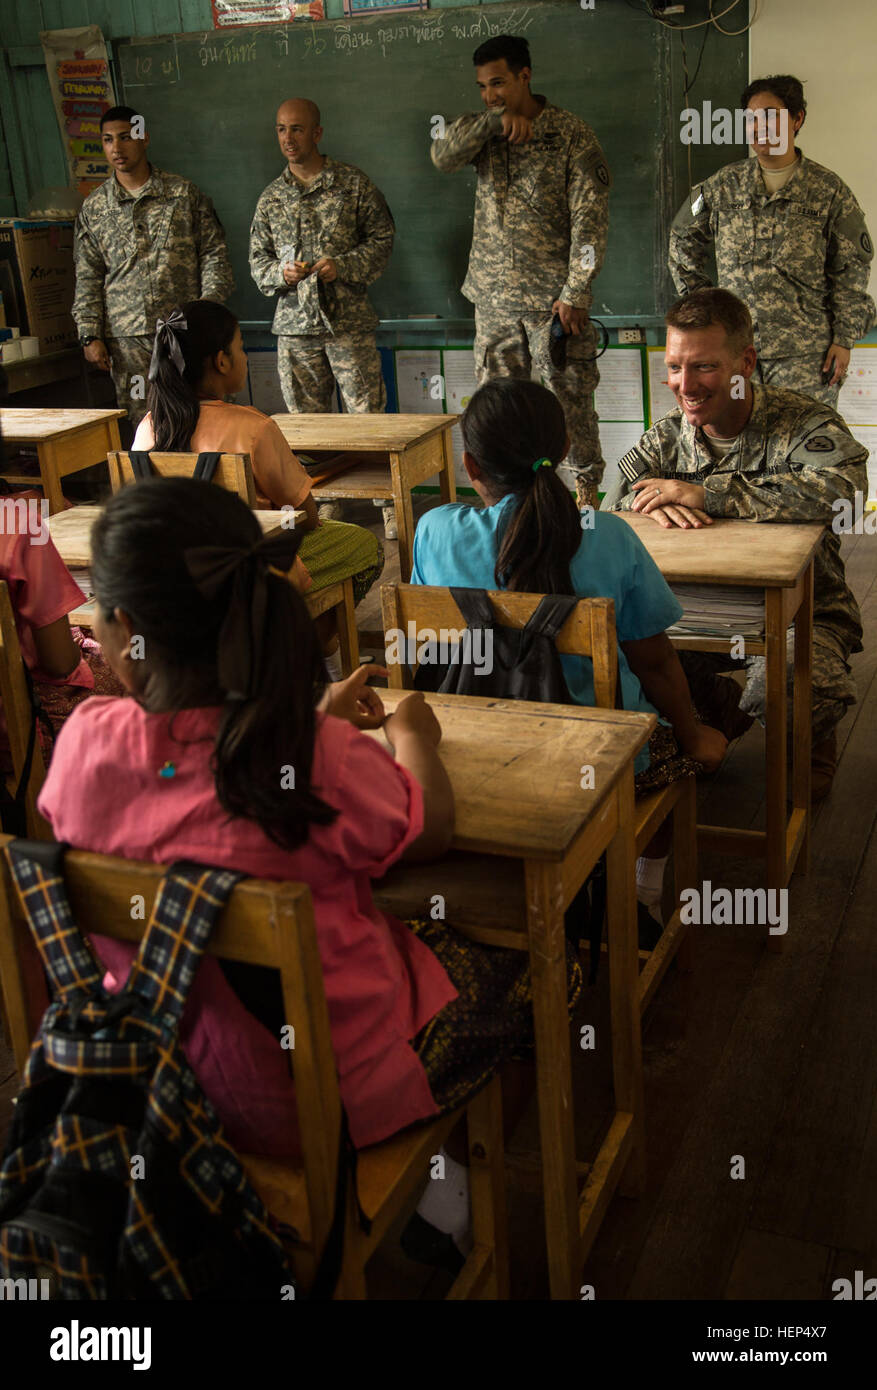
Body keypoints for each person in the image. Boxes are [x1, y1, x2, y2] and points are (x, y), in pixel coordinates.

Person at [36, 477, 582, 1268]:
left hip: (145, 1082)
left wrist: (295, 730)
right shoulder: (316, 760)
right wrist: (412, 732)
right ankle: (441, 1188)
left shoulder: (85, 741)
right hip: (321, 1099)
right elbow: (428, 827)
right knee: (536, 970)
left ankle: (428, 1189)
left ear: (122, 628)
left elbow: (183, 796)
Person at [411, 376, 728, 925]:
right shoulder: (609, 534)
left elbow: (430, 644)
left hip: (472, 755)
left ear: (472, 467)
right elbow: (654, 662)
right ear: (562, 453)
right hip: (597, 764)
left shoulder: (434, 530)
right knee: (686, 732)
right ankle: (644, 892)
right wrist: (693, 734)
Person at [605, 287, 868, 802]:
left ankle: (807, 735)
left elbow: (847, 494)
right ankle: (719, 706)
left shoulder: (802, 424)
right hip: (691, 612)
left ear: (744, 363)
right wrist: (652, 505)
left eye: (702, 367)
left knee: (794, 686)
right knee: (615, 660)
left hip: (803, 612)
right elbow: (616, 509)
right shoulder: (663, 439)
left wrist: (709, 493)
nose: (685, 384)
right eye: (676, 366)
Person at [430, 35, 610, 510]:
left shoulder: (571, 135)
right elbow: (441, 156)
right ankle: (507, 507)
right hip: (494, 305)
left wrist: (576, 291)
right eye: (482, 87)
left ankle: (586, 499)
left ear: (524, 76)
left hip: (553, 307)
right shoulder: (482, 132)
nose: (490, 94)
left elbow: (591, 225)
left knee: (568, 408)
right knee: (498, 414)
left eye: (499, 84)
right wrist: (492, 121)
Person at [131, 299, 383, 616]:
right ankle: (310, 645)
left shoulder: (147, 427)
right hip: (247, 572)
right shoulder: (254, 428)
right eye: (241, 348)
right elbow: (306, 517)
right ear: (222, 362)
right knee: (364, 544)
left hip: (175, 575)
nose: (246, 357)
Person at [669, 75, 875, 407]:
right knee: (739, 442)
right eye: (750, 118)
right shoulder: (724, 185)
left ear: (797, 119)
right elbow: (682, 238)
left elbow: (852, 268)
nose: (759, 127)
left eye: (770, 116)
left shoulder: (828, 191)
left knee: (803, 446)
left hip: (806, 357)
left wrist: (844, 338)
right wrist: (704, 307)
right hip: (736, 355)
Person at [249, 98, 397, 537]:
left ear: (317, 132)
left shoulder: (352, 185)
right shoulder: (271, 198)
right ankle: (327, 500)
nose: (288, 139)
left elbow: (383, 240)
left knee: (366, 417)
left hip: (347, 322)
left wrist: (344, 265)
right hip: (295, 329)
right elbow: (257, 261)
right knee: (307, 424)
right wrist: (281, 272)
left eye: (296, 129)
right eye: (280, 130)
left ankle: (386, 502)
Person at [72, 105, 234, 431]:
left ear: (144, 138)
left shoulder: (182, 194)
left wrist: (207, 312)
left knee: (201, 413)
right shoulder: (95, 208)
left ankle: (202, 482)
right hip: (127, 340)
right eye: (107, 140)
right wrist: (90, 333)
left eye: (125, 137)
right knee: (142, 420)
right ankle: (151, 482)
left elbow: (214, 254)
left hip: (183, 331)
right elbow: (88, 273)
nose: (117, 148)